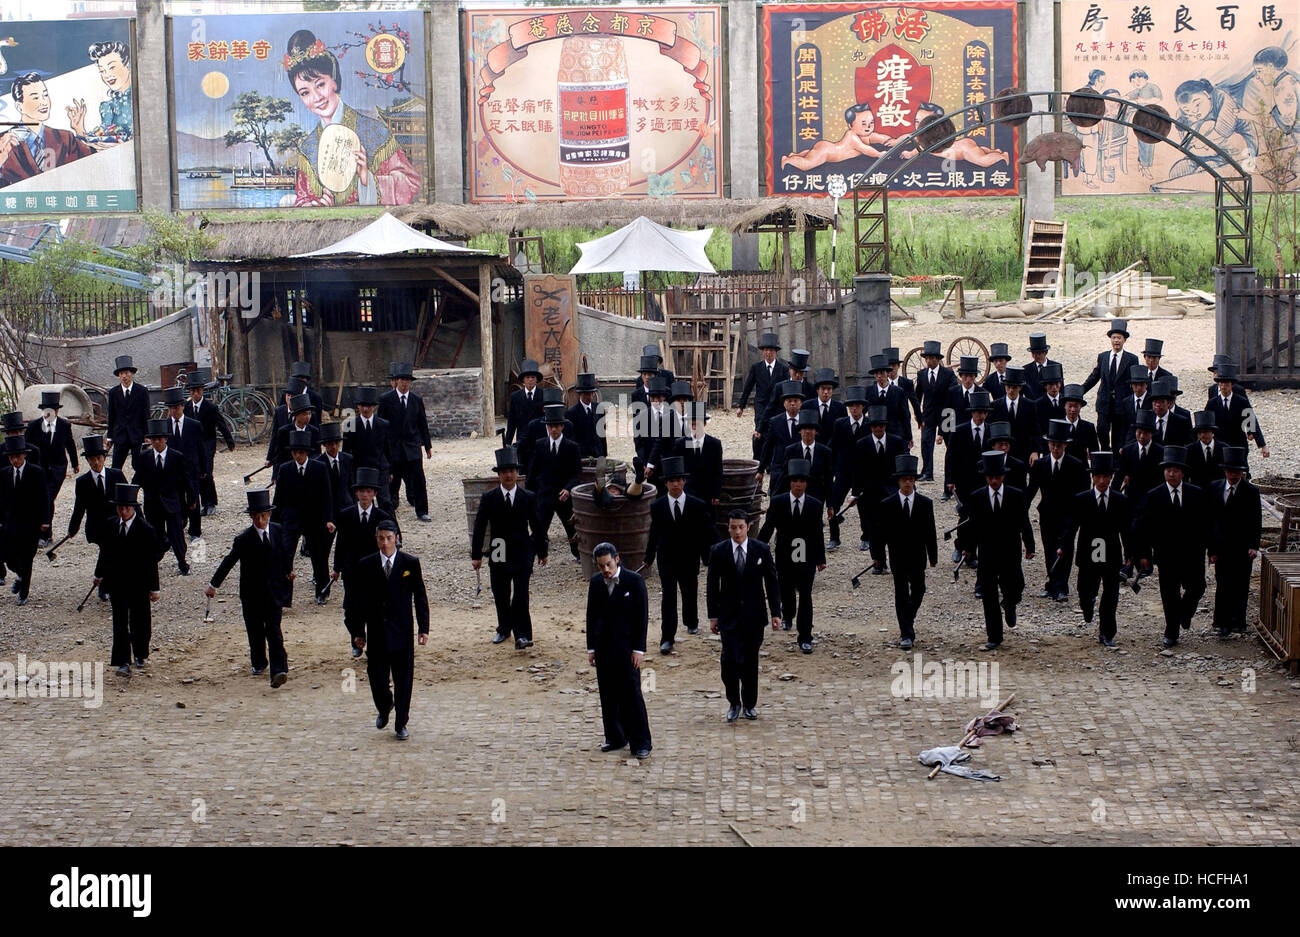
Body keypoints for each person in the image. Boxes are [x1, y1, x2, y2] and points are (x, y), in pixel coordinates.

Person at [284, 28, 421, 207]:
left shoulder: (374, 131)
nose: (316, 97)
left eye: (320, 84)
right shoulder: (308, 148)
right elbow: (302, 198)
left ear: (334, 80)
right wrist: (313, 207)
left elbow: (411, 184)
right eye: (305, 92)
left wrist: (368, 181)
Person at [348, 520, 429, 740]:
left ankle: (401, 722)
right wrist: (358, 632)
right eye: (381, 538)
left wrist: (424, 628)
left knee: (404, 680)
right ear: (376, 540)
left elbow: (420, 596)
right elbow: (358, 601)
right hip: (377, 633)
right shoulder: (366, 565)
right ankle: (384, 707)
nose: (385, 543)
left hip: (402, 632)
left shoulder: (409, 563)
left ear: (397, 539)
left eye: (389, 538)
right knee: (377, 679)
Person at [207, 488, 294, 687]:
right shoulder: (244, 539)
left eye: (263, 515)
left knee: (274, 631)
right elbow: (228, 562)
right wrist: (213, 584)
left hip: (273, 592)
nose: (260, 520)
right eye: (255, 516)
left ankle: (279, 670)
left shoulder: (279, 531)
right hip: (251, 594)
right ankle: (258, 662)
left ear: (269, 514)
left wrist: (288, 572)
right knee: (255, 631)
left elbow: (285, 554)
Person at [707, 509, 782, 722]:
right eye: (733, 527)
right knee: (728, 661)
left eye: (741, 527)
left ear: (748, 527)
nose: (737, 532)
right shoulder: (719, 551)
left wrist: (776, 612)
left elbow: (772, 581)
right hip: (728, 615)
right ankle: (734, 701)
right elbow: (712, 585)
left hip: (754, 615)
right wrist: (713, 615)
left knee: (749, 661)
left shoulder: (761, 550)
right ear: (728, 528)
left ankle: (749, 703)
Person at [957, 451, 1035, 650]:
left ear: (1003, 476)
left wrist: (1030, 545)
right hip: (987, 553)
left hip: (1010, 551)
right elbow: (971, 525)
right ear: (986, 477)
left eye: (997, 477)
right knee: (988, 594)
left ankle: (1010, 605)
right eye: (990, 477)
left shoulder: (1016, 495)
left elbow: (1024, 522)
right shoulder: (977, 497)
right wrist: (967, 547)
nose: (994, 480)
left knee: (1015, 586)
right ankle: (994, 636)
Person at [472, 447, 548, 649]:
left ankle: (522, 634)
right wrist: (476, 554)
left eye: (512, 471)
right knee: (500, 591)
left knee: (521, 593)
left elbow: (537, 525)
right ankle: (504, 628)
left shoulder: (528, 497)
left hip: (522, 549)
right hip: (498, 547)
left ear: (517, 473)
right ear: (499, 474)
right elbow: (479, 526)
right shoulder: (489, 498)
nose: (508, 475)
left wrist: (542, 551)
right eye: (504, 472)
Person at [1134, 445, 1207, 647]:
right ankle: (1171, 631)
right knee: (1169, 594)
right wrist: (1143, 554)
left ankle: (1185, 613)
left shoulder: (1196, 494)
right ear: (1164, 471)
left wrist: (1210, 549)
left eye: (1175, 470)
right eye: (1168, 470)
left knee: (1198, 587)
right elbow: (1143, 527)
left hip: (1192, 553)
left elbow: (1205, 523)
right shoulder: (1154, 496)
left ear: (1182, 472)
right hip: (1166, 555)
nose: (1172, 474)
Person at [586, 542, 652, 758]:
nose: (605, 570)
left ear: (617, 559)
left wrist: (638, 650)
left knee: (631, 696)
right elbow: (591, 617)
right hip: (604, 649)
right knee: (608, 695)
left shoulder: (635, 582)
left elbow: (641, 618)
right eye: (601, 566)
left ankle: (641, 742)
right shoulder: (596, 583)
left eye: (608, 564)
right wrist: (591, 648)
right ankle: (614, 737)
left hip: (626, 650)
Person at [1060, 451, 1132, 646]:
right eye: (1098, 476)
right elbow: (1072, 526)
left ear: (1111, 477)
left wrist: (1129, 553)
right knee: (1084, 589)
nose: (1102, 480)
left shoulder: (1120, 500)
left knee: (1110, 594)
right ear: (1092, 477)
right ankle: (1087, 605)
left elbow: (1126, 529)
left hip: (1111, 553)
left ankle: (1107, 632)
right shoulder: (1081, 499)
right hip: (1088, 552)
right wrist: (1064, 546)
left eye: (1106, 476)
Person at [643, 456, 713, 654]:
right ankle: (667, 638)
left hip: (690, 557)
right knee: (669, 596)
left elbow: (706, 532)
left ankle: (691, 620)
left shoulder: (696, 505)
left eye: (678, 480)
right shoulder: (657, 506)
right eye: (671, 481)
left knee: (690, 590)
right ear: (666, 483)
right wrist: (648, 557)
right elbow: (654, 532)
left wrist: (709, 556)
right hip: (667, 558)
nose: (675, 484)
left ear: (683, 481)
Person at [758, 458, 826, 653]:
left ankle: (805, 636)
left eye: (802, 481)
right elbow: (768, 527)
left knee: (805, 594)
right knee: (786, 588)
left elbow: (817, 532)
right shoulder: (778, 502)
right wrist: (757, 547)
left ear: (806, 483)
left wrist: (821, 559)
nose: (798, 485)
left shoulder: (814, 504)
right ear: (790, 483)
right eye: (795, 481)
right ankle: (787, 615)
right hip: (785, 553)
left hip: (807, 554)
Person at [870, 455, 937, 649]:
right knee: (901, 593)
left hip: (918, 556)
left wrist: (933, 556)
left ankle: (908, 617)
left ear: (914, 481)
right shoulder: (888, 504)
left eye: (910, 479)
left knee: (919, 589)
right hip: (898, 556)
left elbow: (930, 531)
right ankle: (906, 633)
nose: (907, 482)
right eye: (904, 479)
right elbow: (879, 533)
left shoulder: (925, 503)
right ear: (898, 481)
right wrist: (878, 556)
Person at [94, 483, 158, 678]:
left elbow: (151, 562)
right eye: (120, 507)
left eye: (126, 508)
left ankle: (140, 652)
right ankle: (123, 661)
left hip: (139, 584)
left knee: (140, 621)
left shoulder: (145, 529)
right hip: (117, 583)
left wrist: (154, 588)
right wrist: (99, 574)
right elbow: (104, 553)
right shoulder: (111, 525)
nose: (123, 511)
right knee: (120, 622)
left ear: (133, 508)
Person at [331, 466, 393, 658]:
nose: (365, 495)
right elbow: (340, 543)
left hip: (375, 571)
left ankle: (374, 645)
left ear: (374, 493)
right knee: (352, 610)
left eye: (368, 491)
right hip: (352, 570)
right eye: (361, 491)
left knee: (375, 610)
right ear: (356, 492)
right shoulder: (346, 515)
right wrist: (336, 567)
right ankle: (357, 639)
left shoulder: (382, 517)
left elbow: (390, 544)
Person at [1026, 420, 1089, 602]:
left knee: (1066, 549)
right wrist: (1021, 505)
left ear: (1065, 445)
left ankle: (1062, 586)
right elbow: (1032, 489)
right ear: (1048, 444)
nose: (1056, 448)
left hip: (1069, 515)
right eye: (1053, 444)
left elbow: (1083, 491)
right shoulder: (1040, 465)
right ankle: (1052, 582)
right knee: (1049, 548)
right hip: (1047, 514)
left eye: (1059, 445)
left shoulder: (1075, 465)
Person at [272, 429, 336, 605]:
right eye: (295, 452)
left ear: (307, 452)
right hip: (291, 520)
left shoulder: (319, 468)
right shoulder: (285, 469)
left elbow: (327, 496)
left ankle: (322, 591)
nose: (298, 456)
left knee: (319, 556)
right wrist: (274, 524)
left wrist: (328, 519)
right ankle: (285, 596)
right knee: (285, 555)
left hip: (314, 520)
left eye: (301, 452)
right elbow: (278, 498)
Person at [0, 72, 94, 186]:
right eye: (35, 97)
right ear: (19, 106)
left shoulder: (66, 138)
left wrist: (80, 131)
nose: (43, 102)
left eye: (45, 95)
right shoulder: (4, 142)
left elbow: (91, 167)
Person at [1207, 448, 1261, 638]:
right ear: (1225, 471)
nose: (1233, 474)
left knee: (1240, 584)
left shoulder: (1251, 492)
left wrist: (1254, 546)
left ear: (1242, 472)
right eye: (1230, 471)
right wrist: (1211, 550)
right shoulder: (1214, 488)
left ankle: (1239, 621)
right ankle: (1222, 623)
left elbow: (1256, 520)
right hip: (1221, 547)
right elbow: (1210, 521)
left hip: (1242, 547)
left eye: (1237, 471)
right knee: (1222, 585)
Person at [66, 435, 125, 601]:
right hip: (96, 527)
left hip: (116, 524)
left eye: (99, 458)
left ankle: (104, 582)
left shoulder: (117, 475)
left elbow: (128, 501)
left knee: (111, 551)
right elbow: (79, 508)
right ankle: (104, 584)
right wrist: (73, 529)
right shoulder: (82, 482)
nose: (96, 463)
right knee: (108, 549)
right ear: (88, 461)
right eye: (92, 459)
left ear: (104, 458)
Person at [134, 419, 191, 576]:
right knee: (155, 535)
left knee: (176, 535)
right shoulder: (144, 458)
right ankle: (153, 560)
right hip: (153, 504)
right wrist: (130, 497)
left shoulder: (176, 457)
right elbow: (137, 479)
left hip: (173, 504)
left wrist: (191, 500)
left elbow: (186, 481)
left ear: (166, 439)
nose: (157, 442)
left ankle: (182, 562)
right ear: (150, 441)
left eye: (160, 439)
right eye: (154, 439)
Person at [526, 405, 582, 561]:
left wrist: (568, 489)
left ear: (562, 426)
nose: (554, 430)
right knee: (539, 529)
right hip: (545, 496)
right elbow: (533, 472)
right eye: (550, 426)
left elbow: (576, 472)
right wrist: (529, 494)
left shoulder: (572, 447)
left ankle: (580, 556)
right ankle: (530, 559)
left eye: (556, 426)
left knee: (572, 528)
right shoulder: (540, 445)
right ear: (547, 427)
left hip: (564, 496)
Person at [378, 362, 432, 522]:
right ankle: (389, 510)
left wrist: (427, 445)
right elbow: (381, 424)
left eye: (407, 380)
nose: (404, 383)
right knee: (392, 481)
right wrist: (381, 447)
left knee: (418, 480)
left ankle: (422, 510)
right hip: (393, 448)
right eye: (401, 380)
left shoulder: (416, 400)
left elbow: (422, 423)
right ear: (396, 381)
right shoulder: (386, 399)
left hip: (412, 446)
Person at [781, 101, 903, 170]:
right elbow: (865, 149)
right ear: (850, 125)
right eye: (863, 123)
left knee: (811, 153)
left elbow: (881, 138)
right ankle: (788, 160)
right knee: (807, 165)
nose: (868, 126)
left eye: (871, 123)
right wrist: (878, 154)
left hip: (826, 147)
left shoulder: (867, 135)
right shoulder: (852, 136)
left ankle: (795, 155)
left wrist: (893, 141)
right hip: (828, 152)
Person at [0, 435, 48, 605]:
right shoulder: (4, 474)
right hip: (10, 523)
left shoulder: (36, 472)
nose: (15, 460)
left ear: (24, 455)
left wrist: (45, 521)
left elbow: (44, 498)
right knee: (7, 555)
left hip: (31, 523)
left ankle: (24, 593)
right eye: (11, 457)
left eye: (18, 456)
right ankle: (19, 574)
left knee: (27, 557)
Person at [1080, 319, 1138, 452]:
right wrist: (1080, 390)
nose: (1116, 340)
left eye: (1119, 338)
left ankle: (1116, 461)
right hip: (1104, 402)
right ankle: (1105, 453)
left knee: (1118, 436)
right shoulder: (1103, 357)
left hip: (1121, 404)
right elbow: (1094, 376)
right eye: (1114, 337)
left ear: (1124, 340)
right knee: (1101, 430)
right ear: (1110, 339)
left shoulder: (1131, 359)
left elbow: (1135, 381)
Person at [24, 390, 77, 534]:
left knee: (47, 498)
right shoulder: (34, 426)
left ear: (57, 411)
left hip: (58, 469)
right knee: (43, 499)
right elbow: (26, 446)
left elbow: (70, 445)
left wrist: (75, 463)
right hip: (39, 469)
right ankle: (43, 532)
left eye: (53, 410)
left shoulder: (64, 425)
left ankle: (45, 534)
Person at [184, 369, 235, 516]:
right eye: (192, 391)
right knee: (196, 474)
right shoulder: (187, 408)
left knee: (207, 473)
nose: (195, 394)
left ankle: (211, 502)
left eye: (198, 391)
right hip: (193, 445)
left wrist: (229, 441)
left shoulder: (210, 407)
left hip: (207, 443)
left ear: (202, 391)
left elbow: (222, 424)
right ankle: (203, 502)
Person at [828, 386, 871, 551]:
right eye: (851, 405)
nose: (854, 408)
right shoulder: (840, 424)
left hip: (862, 473)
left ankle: (866, 537)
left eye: (858, 405)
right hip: (843, 472)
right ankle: (834, 537)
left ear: (863, 407)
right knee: (833, 504)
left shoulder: (869, 425)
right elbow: (833, 447)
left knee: (864, 507)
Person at [737, 334, 790, 461]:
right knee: (760, 431)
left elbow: (787, 388)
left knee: (775, 431)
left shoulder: (783, 368)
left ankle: (772, 460)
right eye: (766, 350)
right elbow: (748, 387)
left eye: (771, 350)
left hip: (777, 406)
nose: (768, 353)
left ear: (776, 352)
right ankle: (759, 459)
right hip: (761, 405)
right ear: (762, 352)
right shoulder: (756, 368)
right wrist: (741, 406)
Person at [68, 40, 133, 144]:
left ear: (127, 64)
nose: (107, 75)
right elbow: (103, 137)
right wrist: (79, 129)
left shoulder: (142, 96)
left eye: (112, 67)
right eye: (102, 71)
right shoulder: (107, 107)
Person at [162, 385, 204, 541]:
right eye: (171, 408)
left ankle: (195, 531)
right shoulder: (165, 426)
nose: (174, 411)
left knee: (193, 498)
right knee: (176, 498)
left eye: (176, 408)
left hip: (191, 467)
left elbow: (201, 449)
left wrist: (204, 469)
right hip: (173, 469)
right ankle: (177, 528)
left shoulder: (193, 425)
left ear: (182, 407)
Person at [1205, 363, 1269, 466]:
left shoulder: (1241, 401)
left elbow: (1251, 420)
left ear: (1231, 385)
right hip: (1219, 442)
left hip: (1238, 442)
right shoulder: (1212, 403)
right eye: (1221, 384)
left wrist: (1262, 444)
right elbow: (1206, 422)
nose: (1223, 387)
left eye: (1226, 384)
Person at [343, 386, 393, 512]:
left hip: (379, 468)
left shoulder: (383, 424)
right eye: (363, 405)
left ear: (374, 407)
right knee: (359, 503)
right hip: (359, 469)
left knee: (385, 502)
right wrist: (348, 473)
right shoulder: (350, 424)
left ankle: (391, 529)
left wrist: (390, 470)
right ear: (358, 407)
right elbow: (346, 451)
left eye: (369, 406)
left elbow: (388, 449)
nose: (366, 409)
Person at [944, 390, 995, 508]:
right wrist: (950, 479)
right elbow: (951, 457)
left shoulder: (992, 431)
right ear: (972, 413)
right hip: (964, 479)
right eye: (978, 412)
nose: (981, 416)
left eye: (984, 413)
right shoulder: (959, 431)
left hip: (984, 480)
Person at [758, 380, 808, 497]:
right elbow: (768, 446)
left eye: (795, 401)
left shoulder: (806, 422)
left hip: (799, 469)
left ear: (801, 403)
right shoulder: (775, 422)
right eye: (789, 401)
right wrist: (761, 470)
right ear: (784, 403)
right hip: (779, 467)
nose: (792, 404)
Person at [915, 340, 956, 481]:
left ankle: (952, 475)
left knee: (951, 445)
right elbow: (917, 396)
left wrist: (944, 427)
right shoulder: (921, 374)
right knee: (926, 443)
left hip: (947, 414)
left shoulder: (948, 374)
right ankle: (927, 472)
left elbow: (953, 396)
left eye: (932, 358)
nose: (929, 361)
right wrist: (919, 416)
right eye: (927, 358)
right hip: (929, 414)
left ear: (938, 359)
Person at [670, 401, 723, 507]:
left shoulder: (714, 444)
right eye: (692, 424)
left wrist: (716, 494)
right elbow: (677, 469)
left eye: (697, 424)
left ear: (704, 424)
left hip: (707, 491)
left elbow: (718, 471)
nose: (694, 427)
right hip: (687, 492)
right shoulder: (681, 443)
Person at [779, 410, 833, 502]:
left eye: (811, 429)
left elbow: (828, 478)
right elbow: (784, 476)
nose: (808, 432)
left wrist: (830, 503)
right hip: (796, 495)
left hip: (817, 496)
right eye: (804, 429)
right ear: (800, 431)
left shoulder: (825, 452)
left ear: (816, 431)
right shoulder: (790, 450)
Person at [265, 393, 321, 482]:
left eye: (309, 414)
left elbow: (317, 454)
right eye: (304, 414)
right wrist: (275, 475)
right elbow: (279, 455)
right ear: (296, 415)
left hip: (309, 472)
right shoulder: (284, 432)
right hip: (289, 472)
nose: (308, 417)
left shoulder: (314, 431)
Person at [106, 355, 148, 471]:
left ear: (132, 373)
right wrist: (110, 437)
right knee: (115, 468)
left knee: (139, 466)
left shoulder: (142, 391)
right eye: (121, 374)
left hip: (137, 435)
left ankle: (140, 488)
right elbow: (111, 416)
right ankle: (117, 489)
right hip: (120, 436)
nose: (124, 376)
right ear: (118, 376)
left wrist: (147, 435)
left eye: (126, 373)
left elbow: (146, 415)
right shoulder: (113, 393)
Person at [989, 367, 1036, 464]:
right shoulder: (995, 406)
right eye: (1008, 387)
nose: (1011, 390)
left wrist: (1035, 451)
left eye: (1014, 387)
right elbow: (990, 431)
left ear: (1020, 387)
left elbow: (1035, 431)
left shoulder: (1030, 406)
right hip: (1001, 454)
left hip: (1023, 454)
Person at [864, 354, 913, 449]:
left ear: (887, 373)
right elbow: (862, 412)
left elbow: (905, 416)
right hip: (875, 435)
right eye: (876, 373)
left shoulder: (899, 392)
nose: (879, 376)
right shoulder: (869, 391)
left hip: (895, 434)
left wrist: (908, 436)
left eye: (882, 373)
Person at [1118, 410, 1164, 508]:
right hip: (1132, 497)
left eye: (1146, 433)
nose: (1142, 436)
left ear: (1151, 434)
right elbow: (1119, 475)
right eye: (1139, 432)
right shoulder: (1127, 450)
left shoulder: (1160, 452)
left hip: (1153, 498)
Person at [566, 372, 607, 459]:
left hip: (597, 454)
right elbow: (571, 438)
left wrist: (604, 454)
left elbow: (602, 434)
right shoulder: (571, 413)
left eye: (591, 393)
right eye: (586, 394)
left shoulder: (599, 409)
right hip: (581, 455)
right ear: (580, 394)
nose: (589, 397)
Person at [504, 359, 544, 447]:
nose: (530, 380)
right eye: (527, 377)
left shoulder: (543, 395)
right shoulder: (515, 397)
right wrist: (507, 443)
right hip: (522, 440)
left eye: (533, 377)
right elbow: (511, 422)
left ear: (537, 379)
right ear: (523, 380)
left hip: (539, 440)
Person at [801, 368, 847, 442]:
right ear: (817, 390)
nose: (826, 392)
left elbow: (842, 433)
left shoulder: (840, 408)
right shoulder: (807, 406)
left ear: (832, 390)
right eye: (823, 388)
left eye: (829, 389)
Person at [1058, 384, 1100, 463]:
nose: (1073, 409)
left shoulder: (1089, 427)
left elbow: (1094, 453)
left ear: (1080, 407)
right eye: (1070, 406)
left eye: (1076, 406)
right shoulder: (1058, 426)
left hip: (1082, 469)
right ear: (1065, 406)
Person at [1114, 366, 1152, 448]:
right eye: (1135, 385)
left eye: (1141, 385)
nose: (1138, 388)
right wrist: (1121, 446)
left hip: (1146, 441)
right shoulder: (1126, 402)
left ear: (1146, 385)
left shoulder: (1152, 401)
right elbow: (1122, 426)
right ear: (1131, 385)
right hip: (1129, 442)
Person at [1185, 412, 1225, 490]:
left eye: (1205, 432)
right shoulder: (1189, 450)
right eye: (1200, 432)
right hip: (1197, 491)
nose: (1203, 435)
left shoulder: (1223, 449)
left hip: (1218, 491)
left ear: (1212, 432)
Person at [1148, 380, 1192, 448]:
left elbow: (1188, 444)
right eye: (1155, 402)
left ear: (1168, 403)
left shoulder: (1181, 422)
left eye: (1162, 402)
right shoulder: (1147, 419)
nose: (1158, 405)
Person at [1021, 334, 1060, 401]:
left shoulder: (1055, 367)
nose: (1036, 356)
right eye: (1033, 353)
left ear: (1045, 352)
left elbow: (1061, 390)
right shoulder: (1025, 369)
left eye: (1038, 353)